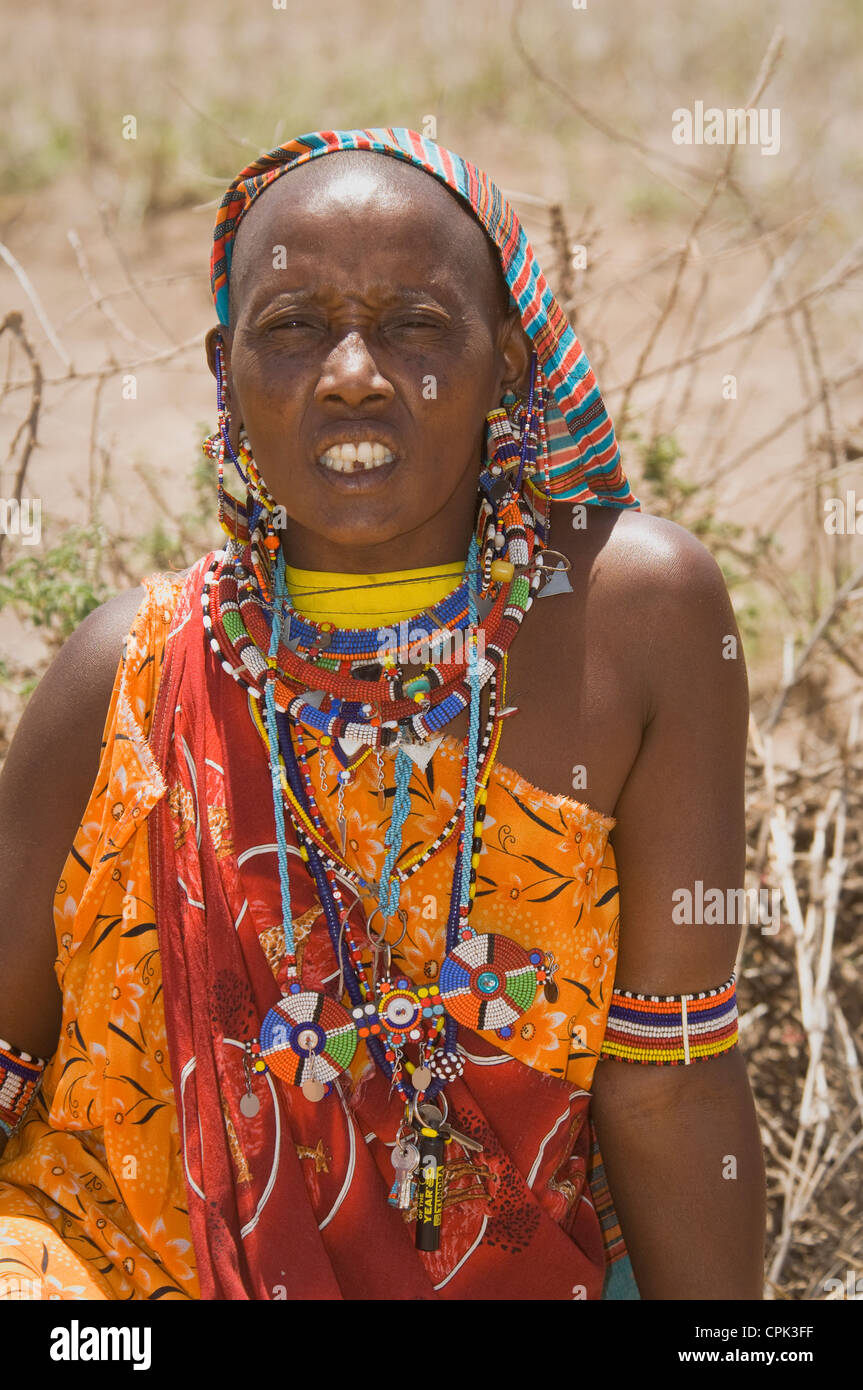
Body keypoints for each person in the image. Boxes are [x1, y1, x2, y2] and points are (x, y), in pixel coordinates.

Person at [0, 128, 765, 1300]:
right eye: (292, 327)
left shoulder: (633, 617)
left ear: (506, 365)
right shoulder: (127, 675)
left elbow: (668, 1077)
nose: (352, 372)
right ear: (225, 370)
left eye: (412, 323)